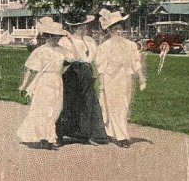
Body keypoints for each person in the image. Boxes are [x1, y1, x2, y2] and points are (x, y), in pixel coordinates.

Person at [95, 9, 147, 148]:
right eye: (115, 29)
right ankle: (121, 137)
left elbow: (135, 62)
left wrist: (141, 77)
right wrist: (102, 84)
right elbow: (101, 67)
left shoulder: (130, 45)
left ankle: (111, 133)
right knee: (113, 106)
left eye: (119, 28)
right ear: (109, 30)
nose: (118, 31)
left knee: (124, 106)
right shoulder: (104, 47)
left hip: (125, 78)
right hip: (110, 79)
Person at [16, 17, 69, 150]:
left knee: (55, 110)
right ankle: (44, 138)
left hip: (57, 81)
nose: (54, 39)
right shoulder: (41, 51)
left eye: (57, 36)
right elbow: (30, 68)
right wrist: (23, 85)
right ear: (46, 36)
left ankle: (49, 137)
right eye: (51, 36)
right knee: (42, 110)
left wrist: (60, 72)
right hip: (44, 82)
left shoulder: (62, 50)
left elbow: (70, 61)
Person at [56, 13, 108, 146]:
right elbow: (67, 58)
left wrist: (96, 73)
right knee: (69, 100)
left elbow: (95, 58)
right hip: (72, 71)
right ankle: (61, 133)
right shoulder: (65, 41)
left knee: (88, 101)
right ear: (75, 27)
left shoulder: (89, 40)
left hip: (86, 71)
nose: (85, 28)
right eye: (82, 26)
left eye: (85, 25)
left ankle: (87, 133)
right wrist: (71, 42)